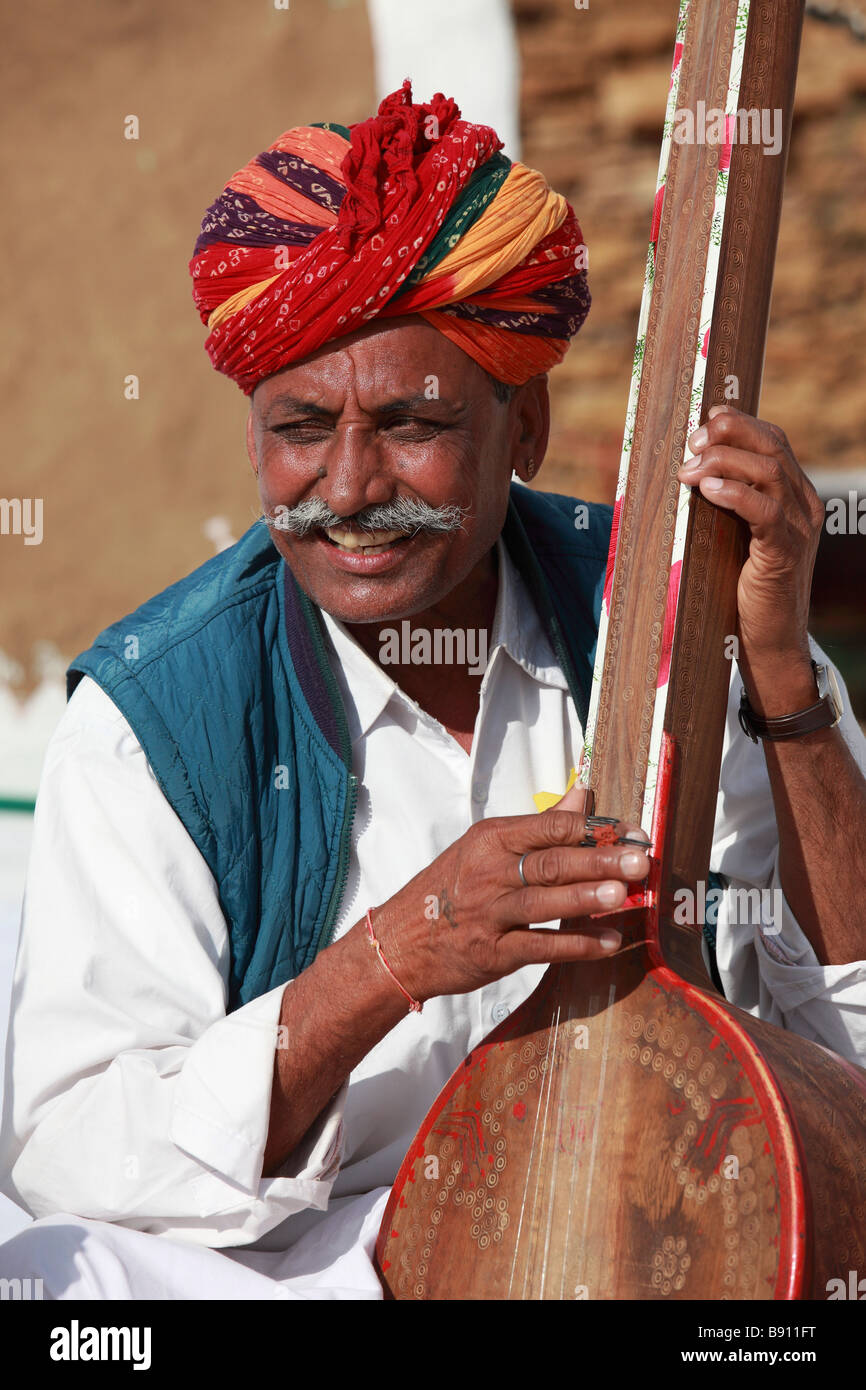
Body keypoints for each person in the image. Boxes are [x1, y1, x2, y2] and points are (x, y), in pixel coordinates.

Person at [1, 83, 865, 1300]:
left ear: (525, 430)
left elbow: (850, 1033)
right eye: (301, 426)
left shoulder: (672, 616)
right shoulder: (156, 722)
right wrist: (396, 956)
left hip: (661, 1239)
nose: (348, 486)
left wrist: (777, 665)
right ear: (254, 440)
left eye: (411, 424)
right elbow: (73, 1154)